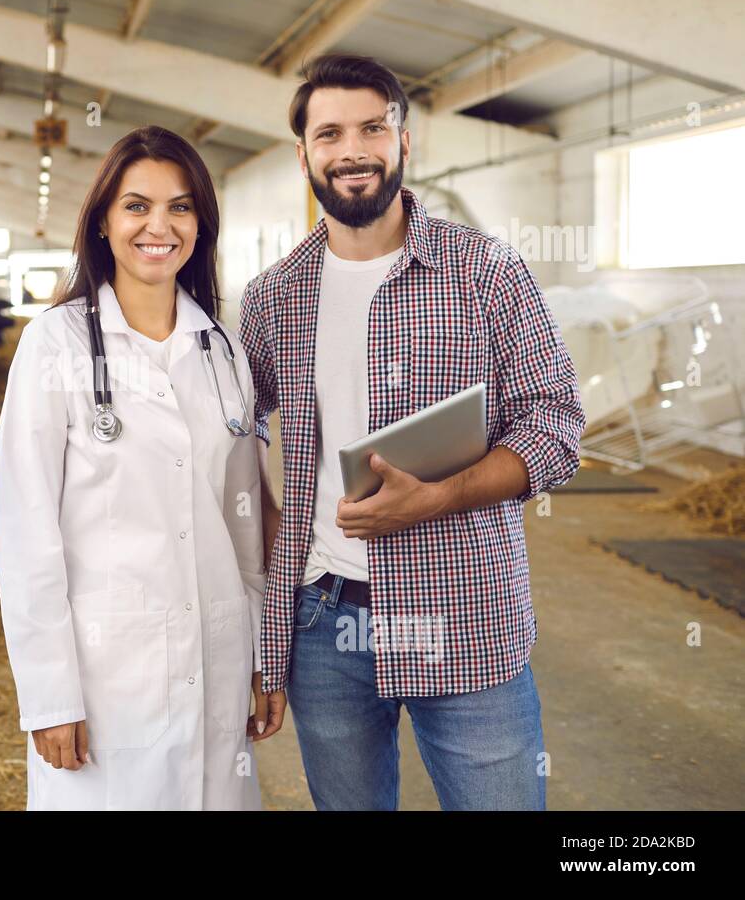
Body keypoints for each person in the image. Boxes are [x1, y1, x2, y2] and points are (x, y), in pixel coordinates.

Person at [240, 54, 585, 810]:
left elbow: (557, 426)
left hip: (462, 608)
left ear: (405, 141)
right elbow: (236, 436)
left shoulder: (486, 272)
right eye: (329, 133)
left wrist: (438, 496)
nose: (352, 149)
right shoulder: (271, 300)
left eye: (373, 127)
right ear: (304, 154)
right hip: (323, 620)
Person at [0, 125, 283, 811]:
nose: (160, 225)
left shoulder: (222, 351)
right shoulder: (52, 347)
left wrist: (267, 654)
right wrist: (48, 693)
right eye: (137, 206)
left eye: (181, 207)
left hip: (216, 657)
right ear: (102, 221)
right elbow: (26, 533)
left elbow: (244, 523)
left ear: (201, 225)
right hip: (105, 676)